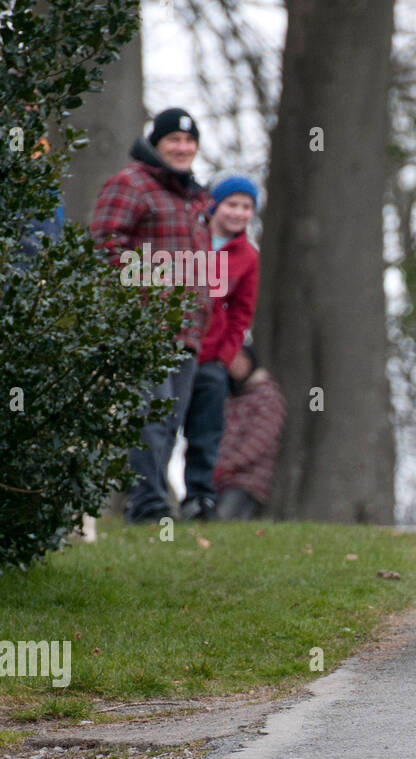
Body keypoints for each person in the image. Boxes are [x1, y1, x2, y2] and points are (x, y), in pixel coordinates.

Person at [90, 108, 212, 523]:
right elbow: (105, 247)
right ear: (156, 144)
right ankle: (147, 508)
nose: (182, 148)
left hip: (188, 331)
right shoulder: (131, 183)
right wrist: (154, 287)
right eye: (173, 141)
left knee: (171, 424)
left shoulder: (195, 196)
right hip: (146, 328)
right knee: (149, 420)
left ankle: (155, 504)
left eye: (189, 141)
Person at [180, 174, 261, 521]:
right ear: (215, 205)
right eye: (232, 204)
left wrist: (224, 356)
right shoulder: (187, 238)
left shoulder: (247, 257)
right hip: (175, 348)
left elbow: (242, 311)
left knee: (206, 431)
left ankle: (199, 500)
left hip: (211, 359)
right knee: (162, 425)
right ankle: (147, 498)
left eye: (247, 207)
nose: (239, 213)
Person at [211, 346, 286, 520]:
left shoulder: (267, 396)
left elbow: (258, 440)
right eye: (232, 359)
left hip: (247, 481)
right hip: (218, 480)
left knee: (222, 521)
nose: (235, 364)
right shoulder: (227, 396)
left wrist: (226, 466)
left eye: (241, 358)